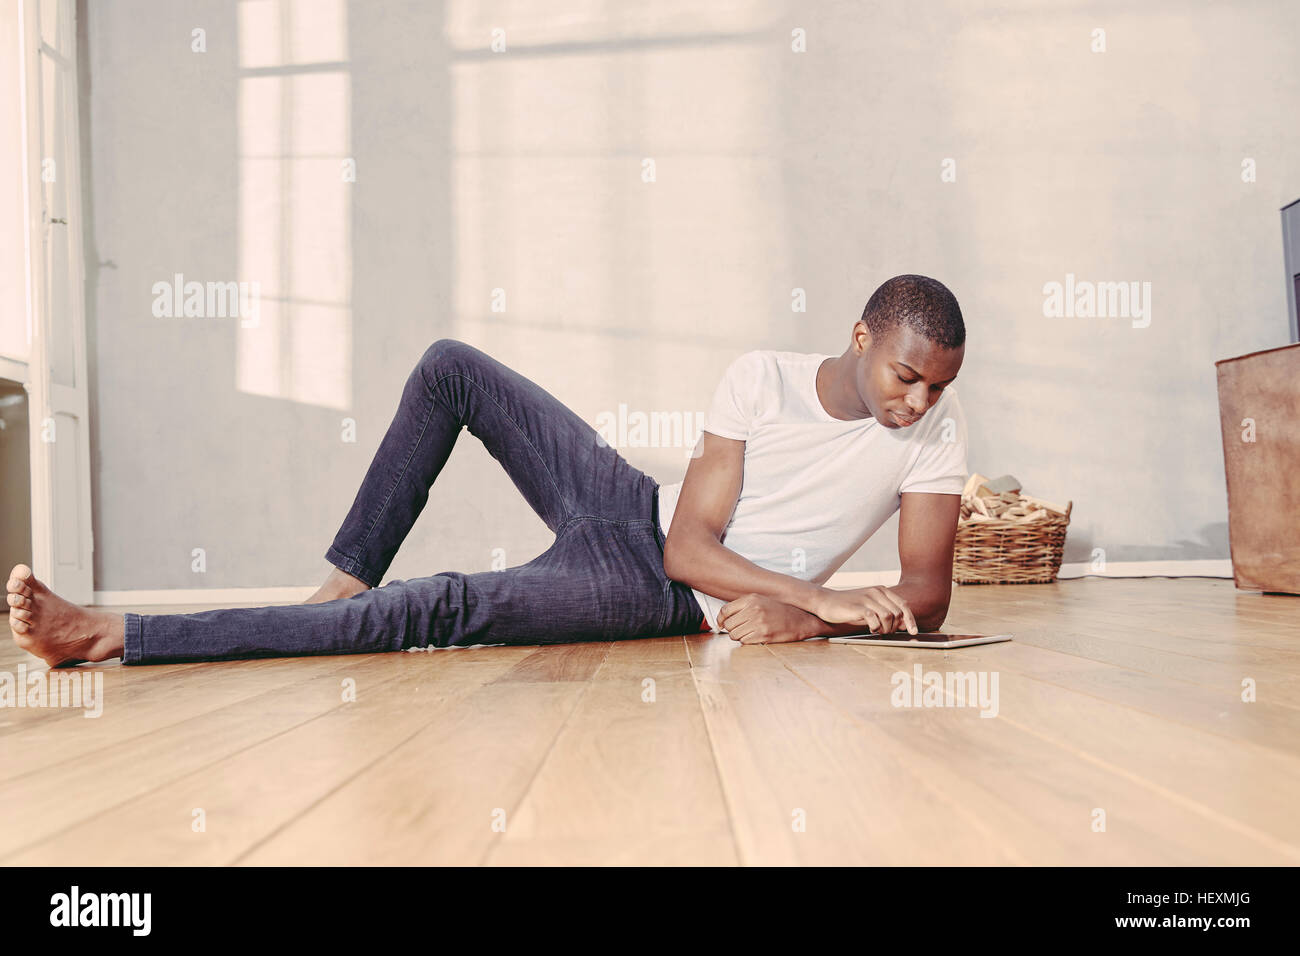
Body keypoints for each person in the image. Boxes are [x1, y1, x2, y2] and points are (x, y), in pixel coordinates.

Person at [7, 274, 967, 666]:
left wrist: (808, 618)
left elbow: (925, 596)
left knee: (438, 607)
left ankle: (110, 635)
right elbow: (687, 542)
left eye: (936, 387)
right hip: (642, 516)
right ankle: (340, 583)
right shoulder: (760, 379)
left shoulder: (934, 435)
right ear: (860, 338)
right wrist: (814, 595)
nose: (918, 402)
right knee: (449, 368)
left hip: (660, 597)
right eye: (907, 376)